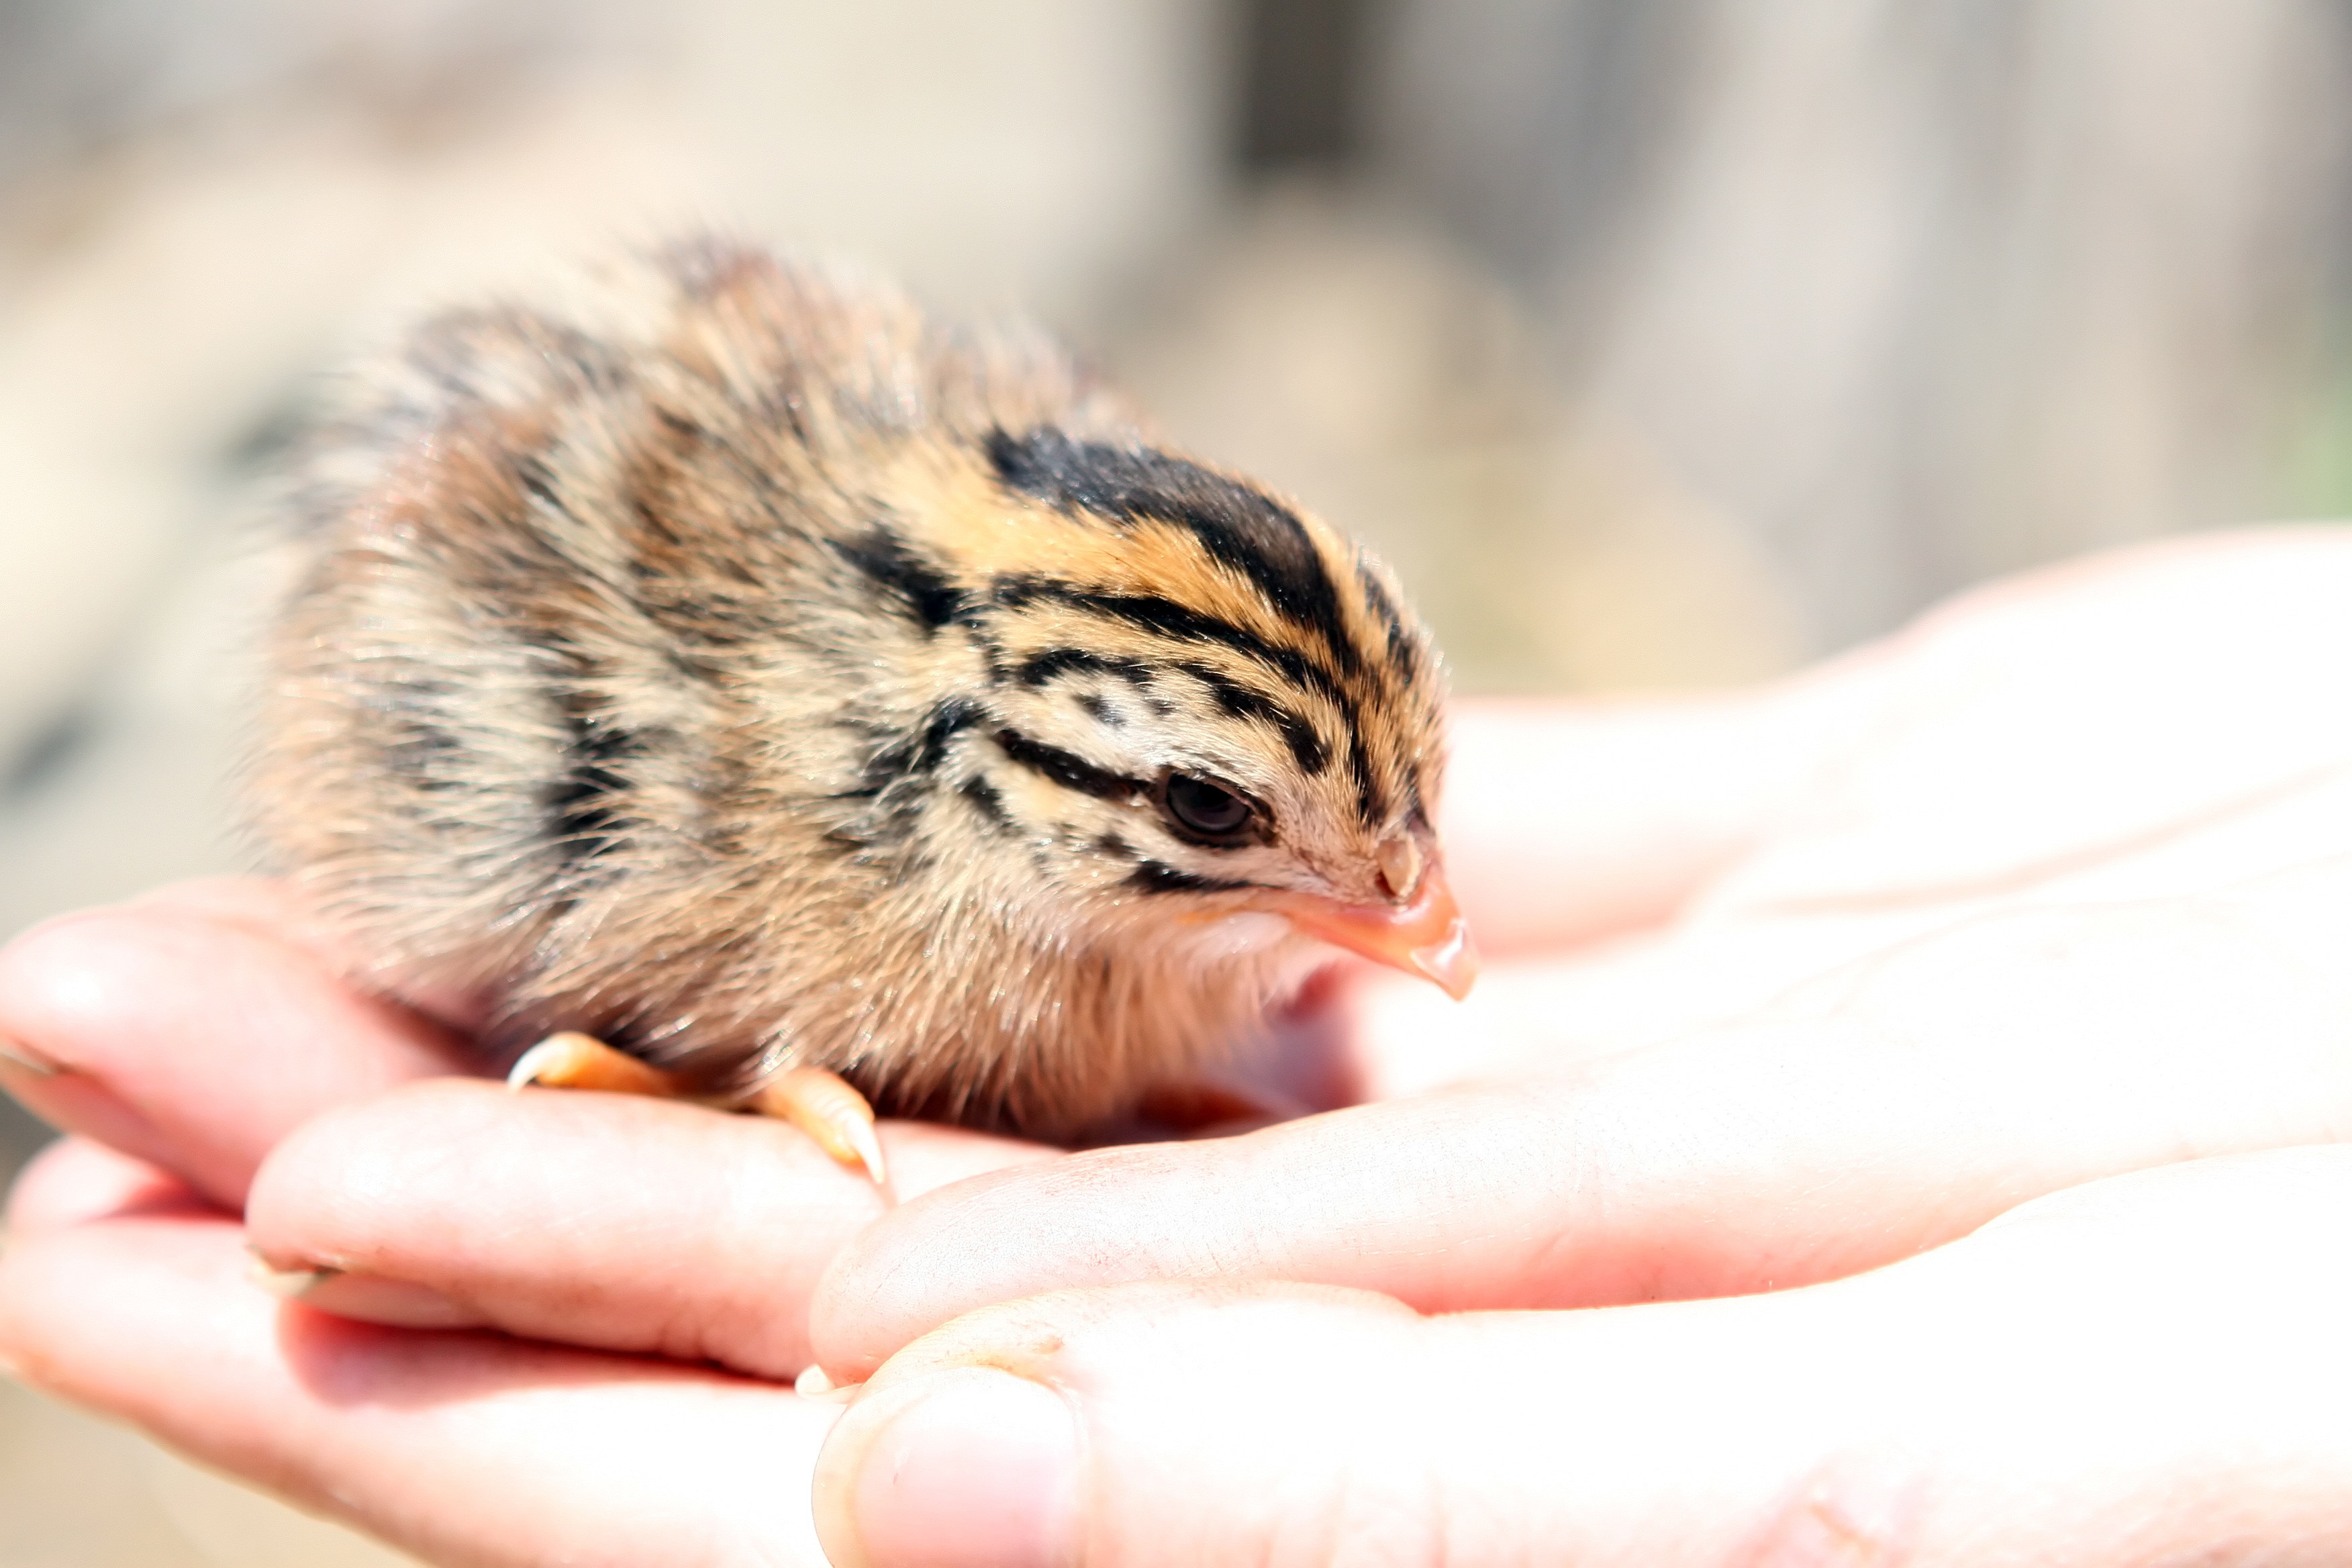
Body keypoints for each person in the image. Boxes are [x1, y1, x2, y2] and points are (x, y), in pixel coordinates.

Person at [5, 529, 2352, 1567]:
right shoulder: (793, 839)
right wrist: (699, 1043)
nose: (1408, 924)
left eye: (1406, 835)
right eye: (1228, 823)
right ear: (990, 800)